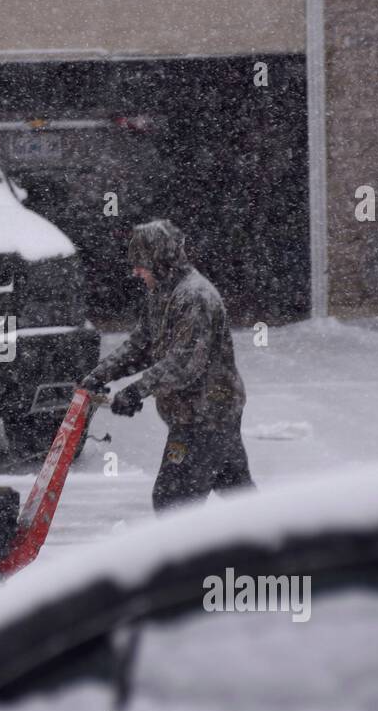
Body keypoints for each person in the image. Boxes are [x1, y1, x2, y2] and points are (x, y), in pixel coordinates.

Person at [81, 218, 254, 511]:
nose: (135, 271)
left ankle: (196, 555)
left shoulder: (195, 296)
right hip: (201, 414)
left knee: (173, 501)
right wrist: (99, 375)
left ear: (160, 261)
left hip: (206, 416)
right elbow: (142, 345)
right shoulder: (163, 293)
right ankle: (278, 545)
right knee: (238, 497)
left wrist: (137, 391)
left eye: (141, 264)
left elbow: (186, 361)